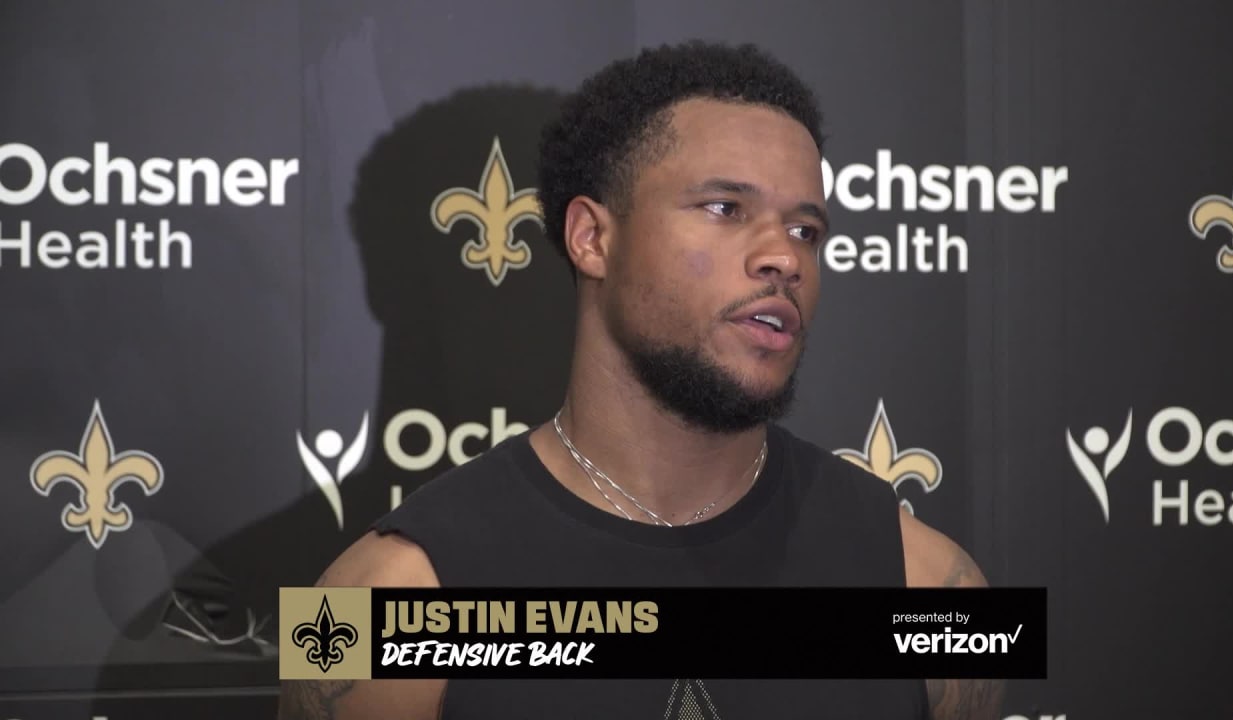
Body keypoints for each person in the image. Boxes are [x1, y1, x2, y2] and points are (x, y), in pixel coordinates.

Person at [278, 40, 1003, 720]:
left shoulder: (935, 585)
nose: (784, 257)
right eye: (726, 209)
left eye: (807, 230)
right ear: (592, 237)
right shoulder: (370, 601)